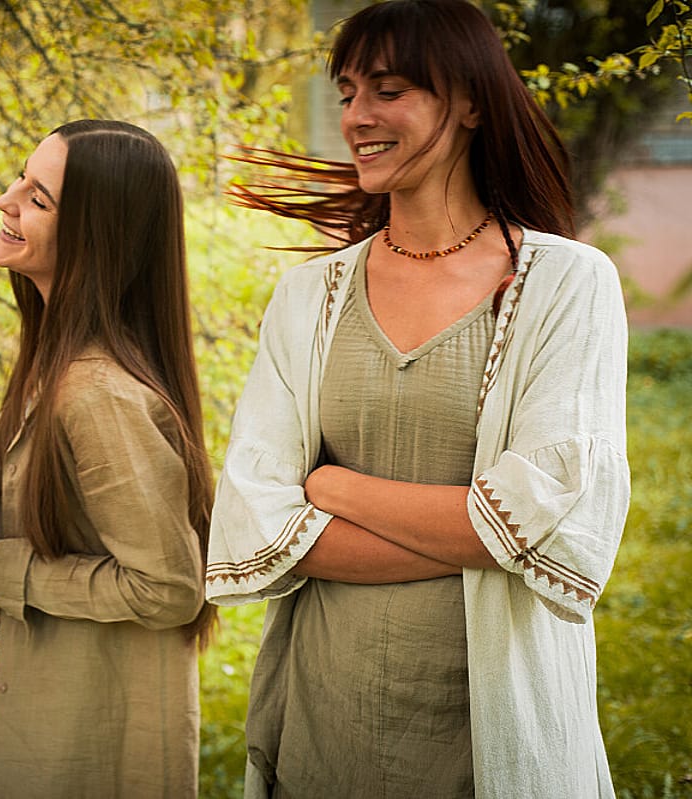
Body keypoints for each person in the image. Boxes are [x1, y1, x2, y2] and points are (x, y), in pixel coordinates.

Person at [205, 2, 630, 797]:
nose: (356, 116)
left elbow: (549, 511)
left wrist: (333, 488)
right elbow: (253, 515)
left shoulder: (568, 284)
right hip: (324, 729)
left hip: (486, 742)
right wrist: (479, 531)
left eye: (389, 89)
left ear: (469, 102)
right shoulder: (306, 296)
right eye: (346, 92)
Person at [0, 119, 216, 798]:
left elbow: (169, 588)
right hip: (45, 723)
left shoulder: (98, 393)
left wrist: (1, 567)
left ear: (94, 236)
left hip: (90, 753)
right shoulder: (53, 364)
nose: (5, 199)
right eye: (21, 177)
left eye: (38, 198)